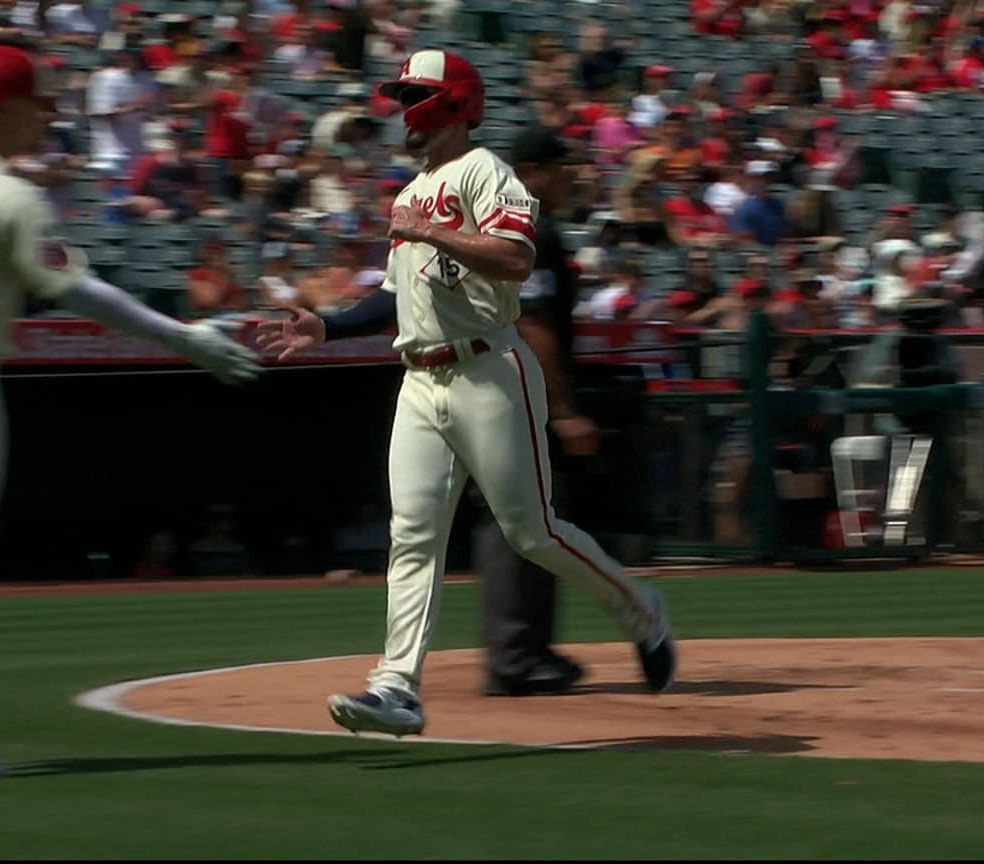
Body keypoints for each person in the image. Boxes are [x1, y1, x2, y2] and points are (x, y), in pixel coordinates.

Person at [0, 44, 261, 782]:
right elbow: (78, 292)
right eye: (38, 107)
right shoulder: (6, 194)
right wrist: (183, 338)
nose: (45, 120)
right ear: (7, 108)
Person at [255, 49, 675, 738]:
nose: (404, 106)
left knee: (532, 533)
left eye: (415, 93)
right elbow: (396, 295)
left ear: (455, 103)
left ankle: (641, 609)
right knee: (412, 534)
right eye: (402, 94)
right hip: (419, 379)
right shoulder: (409, 191)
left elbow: (517, 256)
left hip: (489, 368)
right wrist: (326, 326)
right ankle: (395, 687)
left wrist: (430, 228)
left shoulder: (487, 172)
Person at [472, 125, 597, 697]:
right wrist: (564, 409)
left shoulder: (491, 222)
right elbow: (537, 322)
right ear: (537, 171)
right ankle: (514, 658)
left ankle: (531, 650)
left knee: (534, 518)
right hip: (515, 391)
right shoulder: (529, 227)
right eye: (563, 167)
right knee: (516, 522)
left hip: (490, 385)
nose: (572, 177)